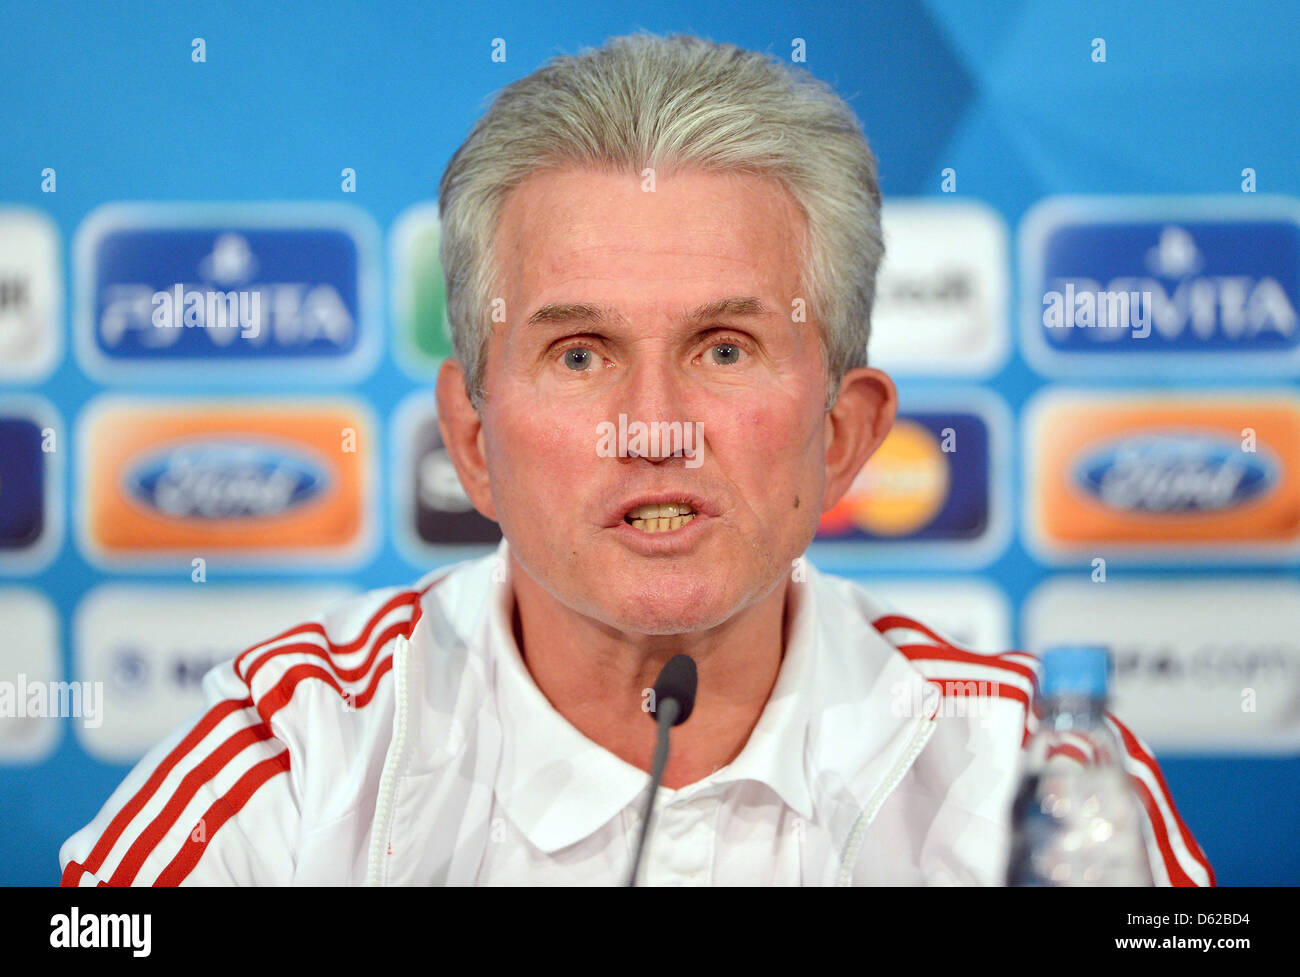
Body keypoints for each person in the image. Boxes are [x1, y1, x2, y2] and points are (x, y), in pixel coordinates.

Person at [59, 31, 1214, 886]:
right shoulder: (288, 756)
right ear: (472, 440)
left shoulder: (1033, 776)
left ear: (842, 432)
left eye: (724, 345)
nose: (654, 425)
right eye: (579, 353)